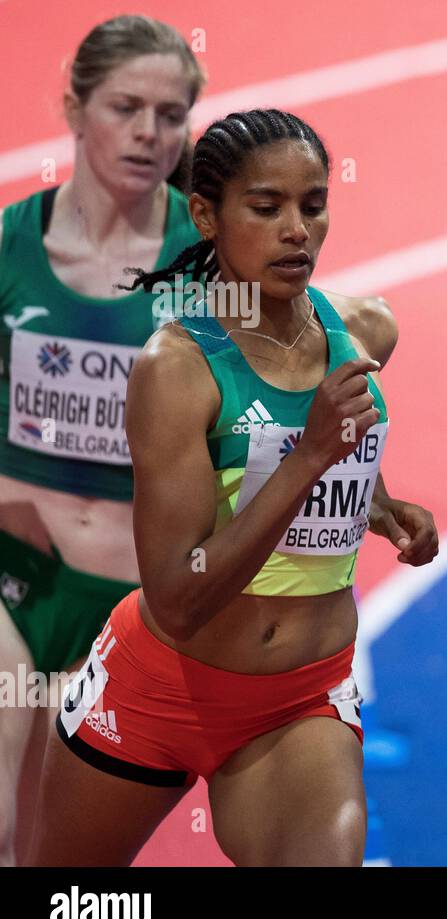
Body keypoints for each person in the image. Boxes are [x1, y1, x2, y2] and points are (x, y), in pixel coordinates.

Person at [30, 108, 437, 866]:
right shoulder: (178, 369)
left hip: (298, 700)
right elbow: (180, 601)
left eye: (313, 205)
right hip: (157, 692)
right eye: (266, 207)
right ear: (205, 215)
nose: (297, 230)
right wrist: (309, 457)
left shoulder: (364, 329)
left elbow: (333, 456)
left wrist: (381, 507)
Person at [0, 15, 204, 866]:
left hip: (136, 610)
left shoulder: (212, 265)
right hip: (16, 582)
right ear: (74, 109)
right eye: (125, 107)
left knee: (70, 864)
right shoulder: (11, 243)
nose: (148, 133)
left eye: (169, 113)